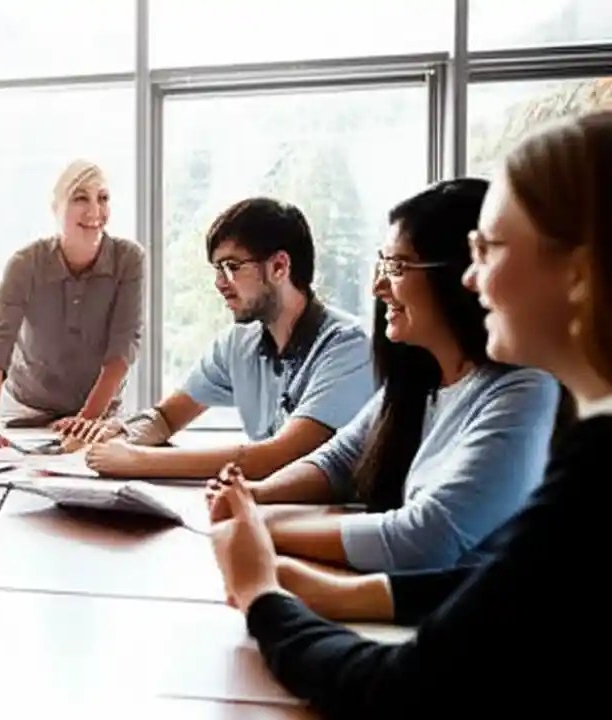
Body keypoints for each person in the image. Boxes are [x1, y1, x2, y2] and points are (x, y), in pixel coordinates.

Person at [209, 111, 611, 716]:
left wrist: (264, 592)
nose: (473, 278)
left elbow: (399, 688)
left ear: (580, 274)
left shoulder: (579, 444)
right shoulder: (575, 438)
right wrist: (353, 592)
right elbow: (514, 585)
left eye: (489, 248)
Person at [208, 179, 561, 572]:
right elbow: (339, 461)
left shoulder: (524, 391)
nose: (378, 286)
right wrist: (254, 495)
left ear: (460, 273)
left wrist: (257, 527)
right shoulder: (420, 382)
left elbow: (425, 539)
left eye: (396, 267)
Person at [83, 197, 375, 480]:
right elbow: (166, 417)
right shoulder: (237, 344)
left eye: (232, 267)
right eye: (217, 269)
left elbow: (279, 457)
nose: (219, 284)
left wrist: (138, 461)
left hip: (331, 517)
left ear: (279, 267)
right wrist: (123, 435)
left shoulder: (348, 348)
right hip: (264, 507)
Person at [0, 159, 144, 446]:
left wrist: (86, 420)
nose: (94, 211)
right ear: (56, 207)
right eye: (80, 198)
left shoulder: (129, 259)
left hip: (98, 413)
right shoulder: (25, 264)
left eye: (102, 198)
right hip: (27, 411)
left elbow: (123, 347)